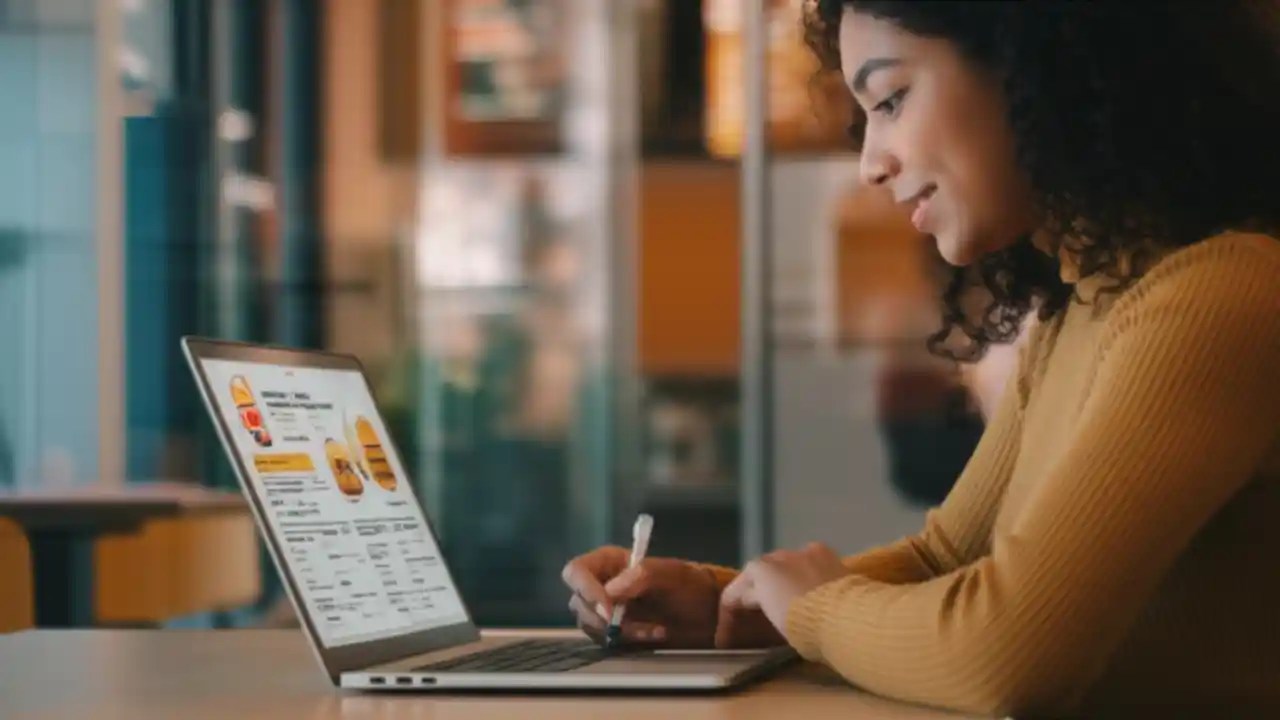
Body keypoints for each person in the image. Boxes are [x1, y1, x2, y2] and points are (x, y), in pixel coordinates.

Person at [562, 1, 1280, 716]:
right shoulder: (1084, 306)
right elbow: (947, 562)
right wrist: (724, 601)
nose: (873, 162)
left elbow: (1004, 653)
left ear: (1032, 70)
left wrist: (812, 609)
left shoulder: (1219, 294)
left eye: (892, 99)